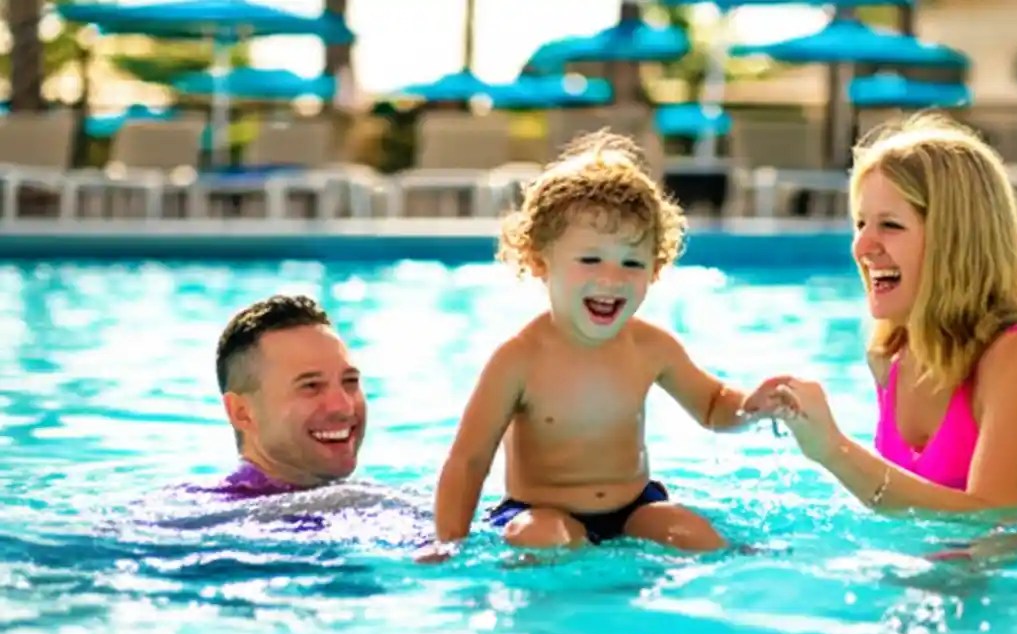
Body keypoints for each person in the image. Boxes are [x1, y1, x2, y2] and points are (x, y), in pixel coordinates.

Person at [749, 114, 1017, 520]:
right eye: (861, 223)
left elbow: (995, 521)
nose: (862, 246)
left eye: (890, 225)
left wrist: (835, 450)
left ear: (955, 240)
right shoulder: (892, 353)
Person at [420, 131, 779, 560]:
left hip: (633, 507)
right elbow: (468, 461)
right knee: (541, 534)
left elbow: (711, 404)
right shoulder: (519, 359)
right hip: (541, 510)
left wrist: (753, 406)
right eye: (590, 260)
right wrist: (447, 543)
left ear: (656, 269)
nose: (611, 279)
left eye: (632, 263)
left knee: (689, 531)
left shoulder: (650, 346)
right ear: (538, 261)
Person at [167, 294, 420, 529]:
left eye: (350, 381)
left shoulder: (363, 500)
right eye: (311, 386)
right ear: (242, 412)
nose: (343, 407)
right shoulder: (197, 515)